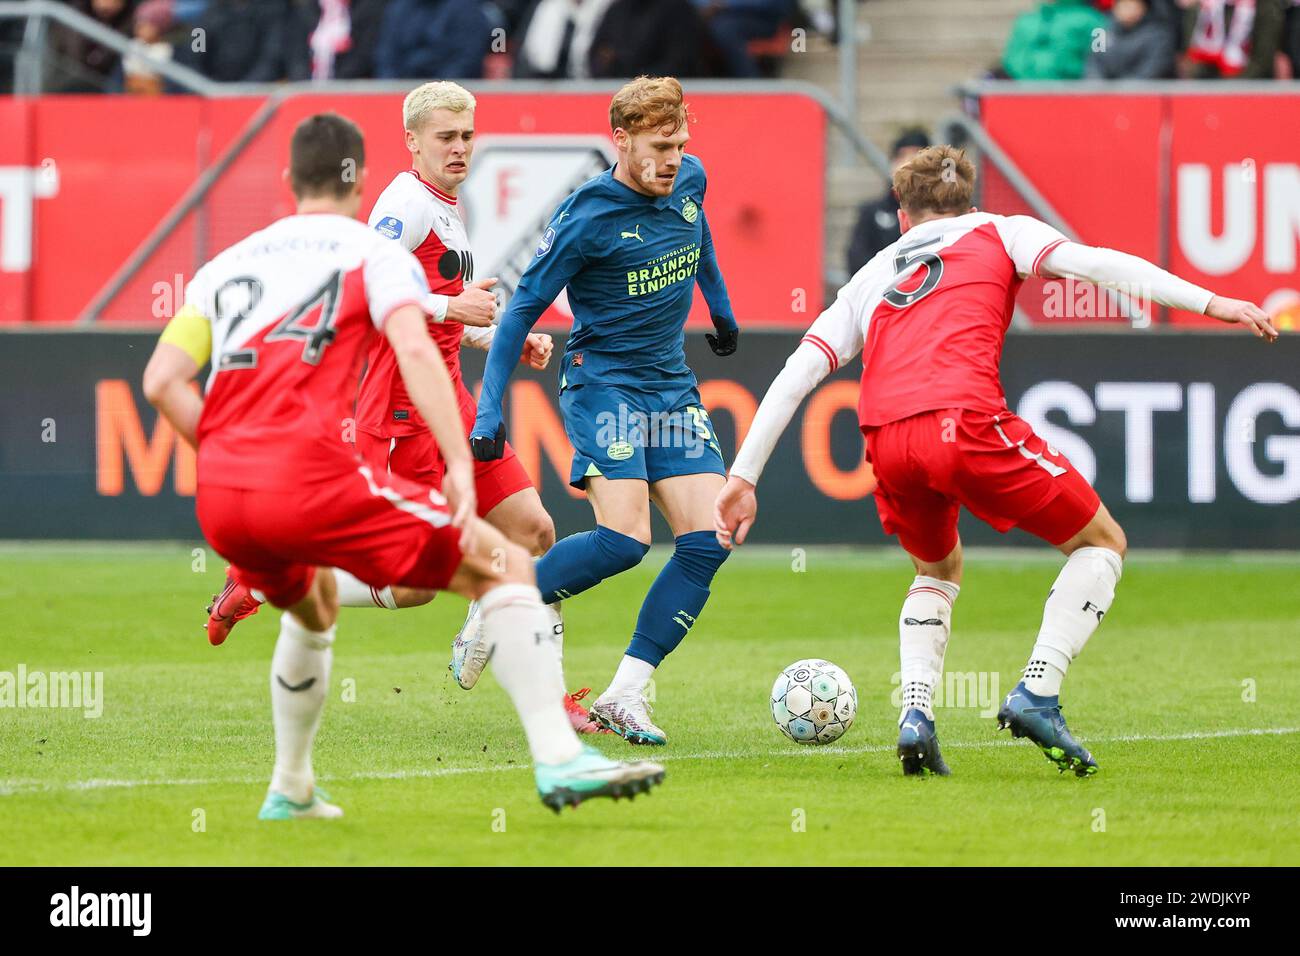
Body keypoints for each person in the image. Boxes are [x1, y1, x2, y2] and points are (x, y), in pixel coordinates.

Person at [144, 112, 664, 816]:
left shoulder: (226, 266)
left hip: (228, 497)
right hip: (314, 475)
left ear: (290, 180)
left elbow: (161, 382)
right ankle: (560, 761)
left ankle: (291, 789)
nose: (459, 146)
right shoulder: (370, 251)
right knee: (508, 566)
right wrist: (458, 455)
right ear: (359, 181)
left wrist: (226, 452)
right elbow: (415, 350)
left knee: (313, 604)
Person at [715, 145, 1278, 778]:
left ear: (902, 216)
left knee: (937, 566)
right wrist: (1214, 303)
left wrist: (743, 478)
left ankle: (917, 717)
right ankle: (1037, 691)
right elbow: (1099, 265)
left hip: (886, 439)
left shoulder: (871, 274)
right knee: (1102, 543)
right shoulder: (1001, 231)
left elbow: (796, 375)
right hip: (963, 421)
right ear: (970, 202)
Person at [469, 76, 739, 746]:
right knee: (625, 542)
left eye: (679, 144)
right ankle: (498, 602)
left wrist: (721, 308)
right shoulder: (587, 216)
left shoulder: (689, 179)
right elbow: (520, 313)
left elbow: (698, 236)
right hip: (605, 384)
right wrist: (488, 407)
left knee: (709, 541)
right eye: (658, 146)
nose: (672, 159)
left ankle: (626, 693)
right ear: (620, 140)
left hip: (671, 385)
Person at [846, 128, 929, 277]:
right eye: (902, 156)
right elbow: (857, 262)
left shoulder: (945, 212)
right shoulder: (871, 213)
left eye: (917, 156)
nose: (908, 164)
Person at [1001, 0, 1108, 80]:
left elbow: (1101, 59)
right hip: (1025, 93)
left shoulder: (1094, 21)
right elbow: (1013, 57)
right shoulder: (1026, 21)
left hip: (1073, 96)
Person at [1085, 0, 1177, 79]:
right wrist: (1099, 88)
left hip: (1140, 95)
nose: (1128, 10)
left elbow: (1152, 70)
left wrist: (1122, 91)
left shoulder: (1159, 35)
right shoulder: (1102, 31)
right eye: (1124, 4)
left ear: (1144, 8)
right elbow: (1093, 65)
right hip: (1104, 95)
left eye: (1133, 5)